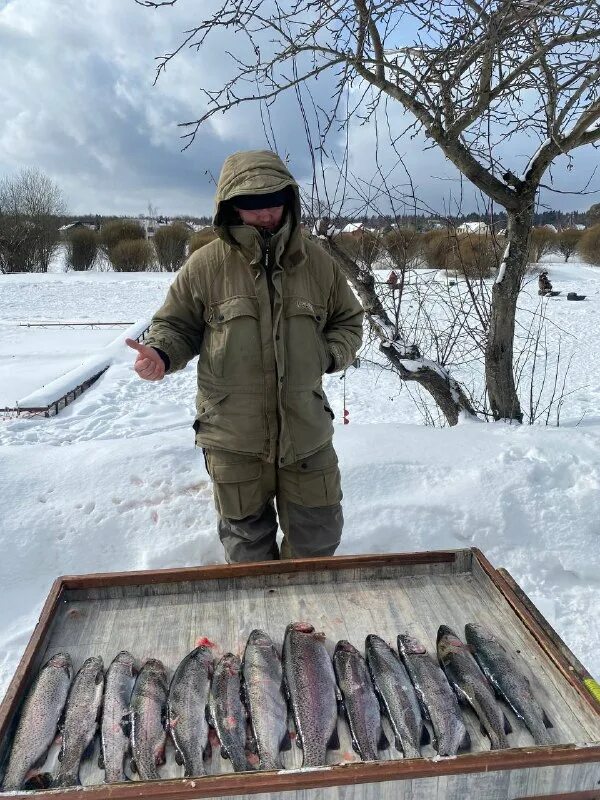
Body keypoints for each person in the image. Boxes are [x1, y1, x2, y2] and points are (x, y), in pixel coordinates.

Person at [126, 150, 363, 563]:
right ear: (230, 208)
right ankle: (263, 622)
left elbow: (348, 320)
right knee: (247, 549)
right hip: (233, 438)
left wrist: (327, 355)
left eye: (274, 202)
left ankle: (306, 620)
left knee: (318, 541)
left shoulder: (318, 264)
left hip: (306, 432)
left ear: (289, 201)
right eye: (253, 207)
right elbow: (176, 325)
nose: (267, 215)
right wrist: (161, 353)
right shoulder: (204, 266)